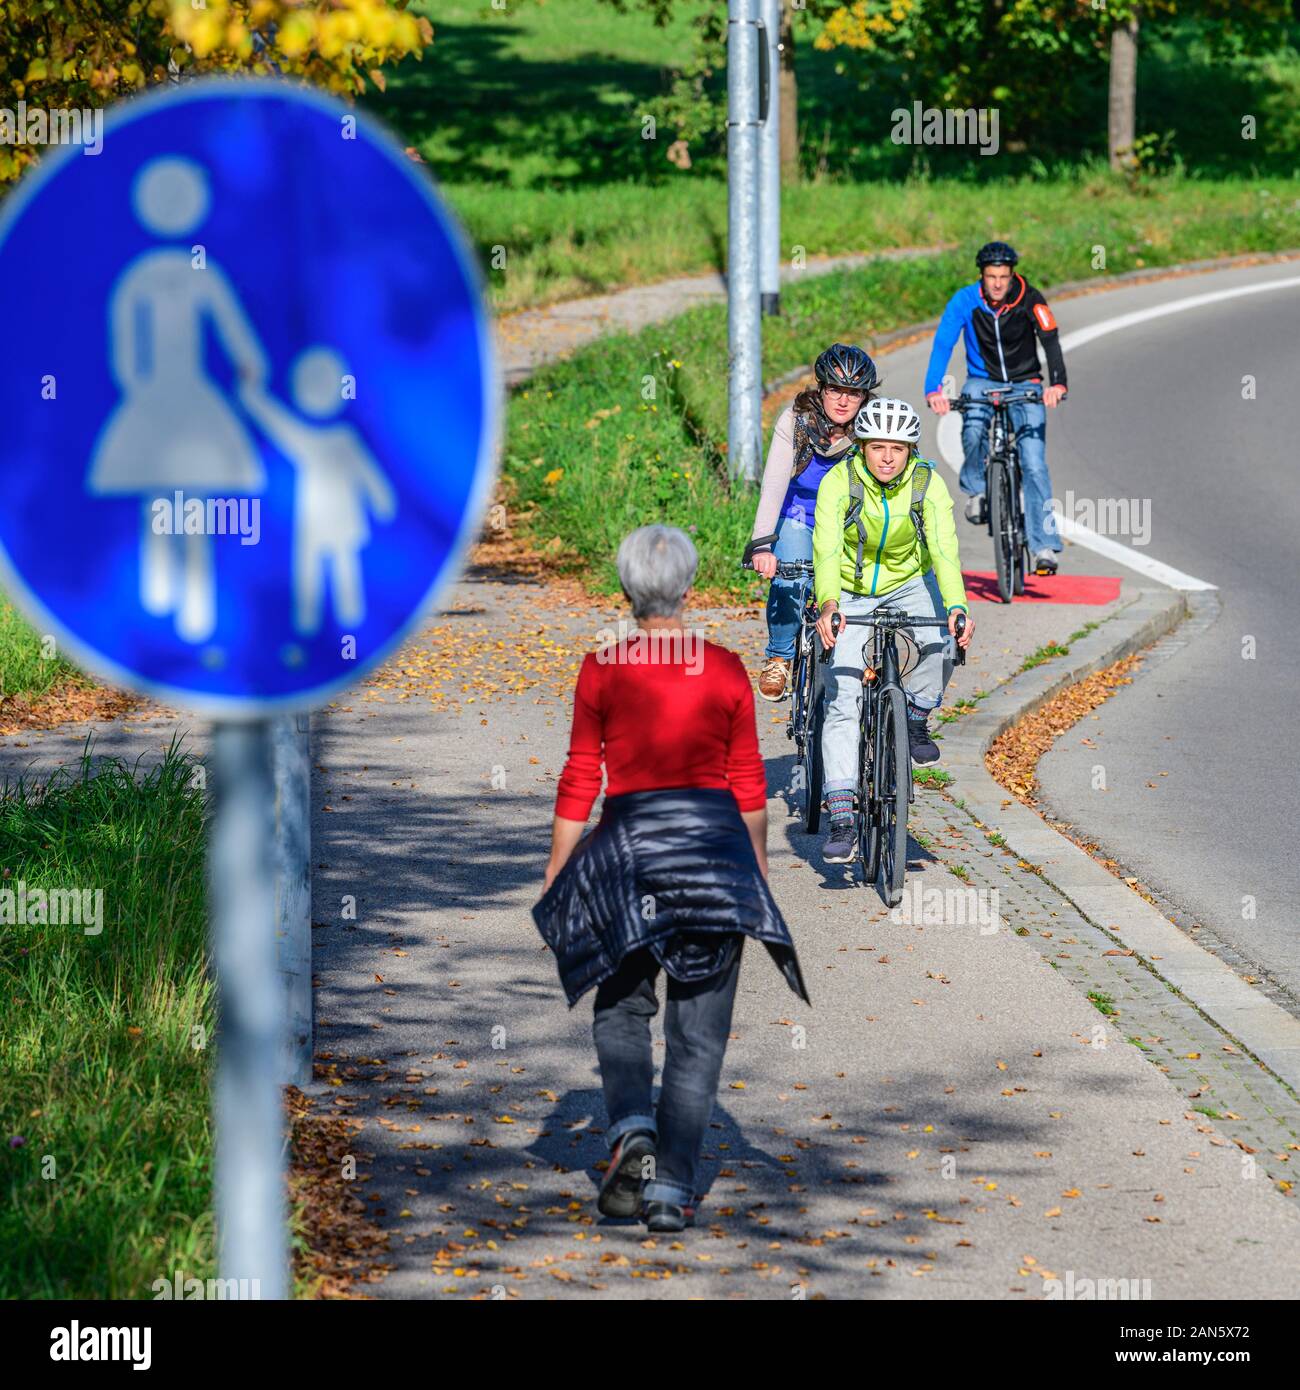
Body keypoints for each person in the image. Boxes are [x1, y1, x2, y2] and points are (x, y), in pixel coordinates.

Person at [533, 525, 809, 1234]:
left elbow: (579, 777)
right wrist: (755, 874)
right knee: (698, 1033)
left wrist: (558, 869)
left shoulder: (603, 667)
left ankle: (632, 1129)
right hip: (714, 853)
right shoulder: (723, 669)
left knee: (621, 1005)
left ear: (626, 593)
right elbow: (749, 782)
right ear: (688, 590)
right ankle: (671, 1189)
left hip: (628, 857)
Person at [812, 398, 974, 865]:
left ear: (911, 451)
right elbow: (825, 550)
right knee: (843, 694)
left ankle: (916, 715)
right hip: (849, 586)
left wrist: (958, 607)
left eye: (898, 448)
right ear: (861, 447)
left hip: (909, 582)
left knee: (942, 642)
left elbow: (944, 550)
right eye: (877, 447)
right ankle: (842, 813)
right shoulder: (837, 482)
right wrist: (828, 605)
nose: (887, 457)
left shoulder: (927, 484)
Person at [923, 241, 1068, 576]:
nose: (998, 284)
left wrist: (1057, 384)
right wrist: (933, 389)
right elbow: (944, 342)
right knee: (972, 426)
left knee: (1032, 463)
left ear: (1012, 274)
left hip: (1026, 382)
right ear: (981, 276)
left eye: (1004, 276)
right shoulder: (964, 301)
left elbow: (1051, 340)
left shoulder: (1031, 299)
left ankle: (1043, 545)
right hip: (982, 379)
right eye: (991, 277)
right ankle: (976, 489)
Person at [747, 343, 878, 701]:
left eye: (853, 393)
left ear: (865, 396)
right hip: (799, 515)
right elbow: (774, 483)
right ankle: (780, 656)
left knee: (863, 583)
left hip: (852, 519)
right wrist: (762, 543)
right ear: (821, 388)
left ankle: (862, 655)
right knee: (791, 575)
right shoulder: (796, 420)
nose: (843, 400)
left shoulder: (872, 426)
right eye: (836, 389)